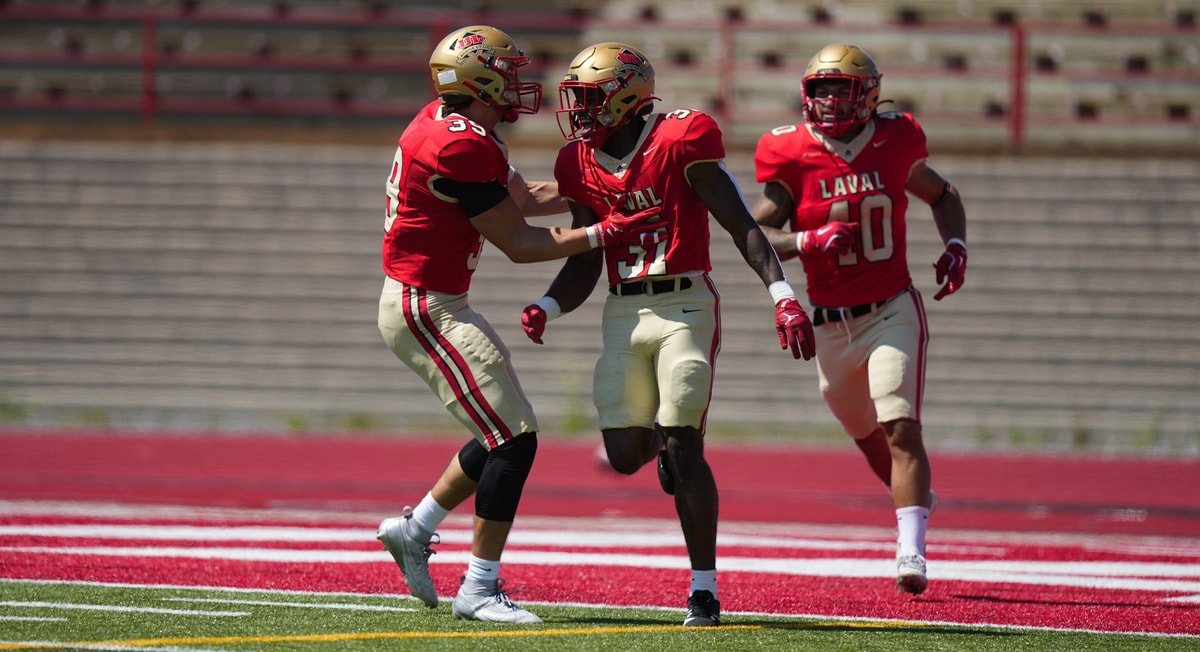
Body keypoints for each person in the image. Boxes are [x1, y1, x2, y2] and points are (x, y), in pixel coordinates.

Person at [518, 42, 817, 627]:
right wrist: (548, 304)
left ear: (628, 101)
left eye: (589, 99)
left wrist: (783, 297)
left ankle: (703, 590)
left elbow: (742, 224)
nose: (577, 112)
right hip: (622, 309)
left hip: (684, 303)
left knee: (687, 445)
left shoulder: (682, 138)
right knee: (625, 456)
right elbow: (586, 253)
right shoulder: (575, 162)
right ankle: (659, 438)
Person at [373, 25, 656, 624]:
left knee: (501, 428)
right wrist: (606, 231)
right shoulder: (459, 145)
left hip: (434, 301)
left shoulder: (455, 127)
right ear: (477, 79)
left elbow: (523, 198)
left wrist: (605, 189)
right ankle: (478, 588)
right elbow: (523, 244)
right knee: (515, 437)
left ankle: (414, 528)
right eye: (505, 71)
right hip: (426, 306)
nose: (517, 84)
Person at [750, 43, 968, 596]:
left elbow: (943, 196)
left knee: (901, 425)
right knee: (866, 434)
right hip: (829, 321)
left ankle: (911, 549)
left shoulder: (896, 141)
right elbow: (756, 232)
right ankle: (916, 501)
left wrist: (957, 243)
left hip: (891, 304)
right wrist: (808, 238)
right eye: (818, 89)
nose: (826, 100)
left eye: (839, 88)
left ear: (869, 94)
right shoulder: (790, 152)